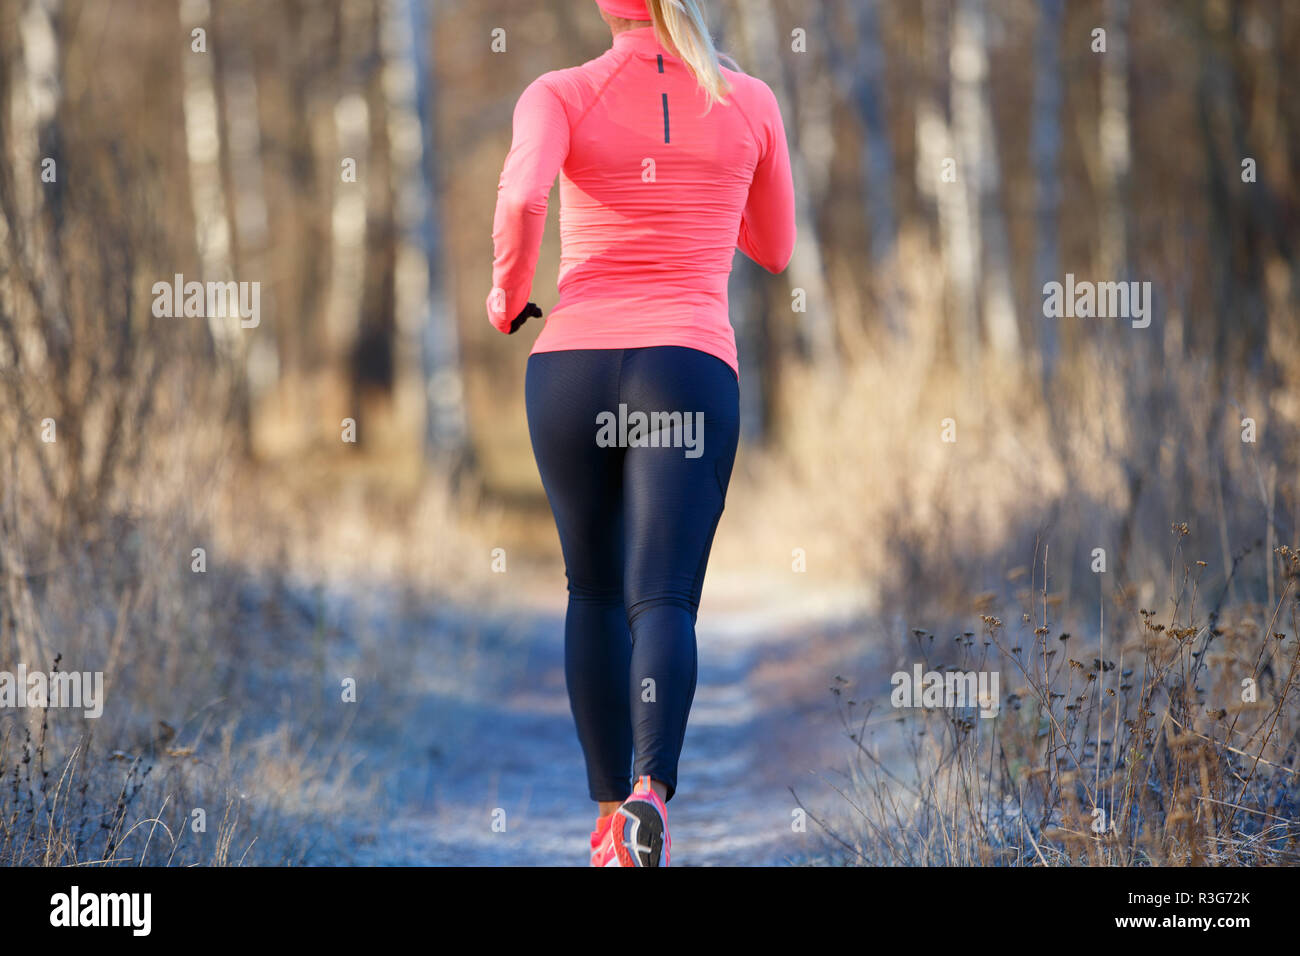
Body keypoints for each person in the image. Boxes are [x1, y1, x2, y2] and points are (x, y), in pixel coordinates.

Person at [485, 0, 794, 866]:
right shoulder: (751, 101)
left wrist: (508, 298)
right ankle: (651, 796)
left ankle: (607, 819)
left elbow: (520, 198)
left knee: (591, 590)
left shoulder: (557, 92)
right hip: (688, 365)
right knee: (661, 597)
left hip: (572, 366)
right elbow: (774, 247)